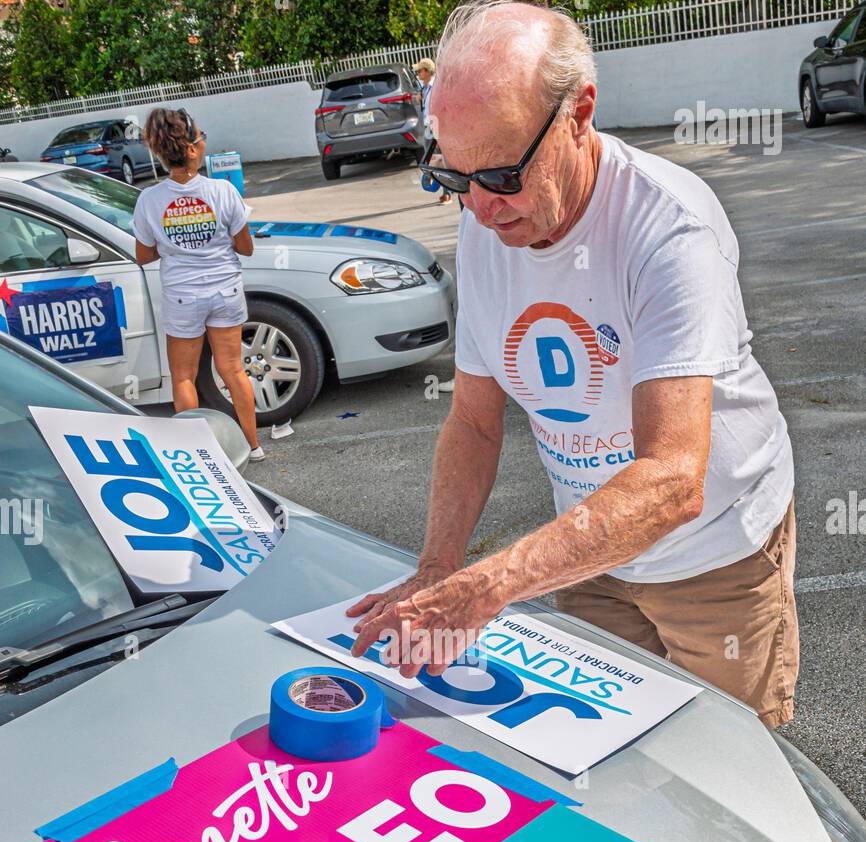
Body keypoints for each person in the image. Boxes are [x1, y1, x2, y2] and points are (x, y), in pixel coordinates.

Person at [351, 0, 798, 729]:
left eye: (499, 174)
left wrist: (489, 584)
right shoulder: (485, 219)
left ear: (579, 112)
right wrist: (440, 565)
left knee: (731, 773)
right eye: (454, 178)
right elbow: (473, 420)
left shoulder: (667, 228)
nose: (482, 211)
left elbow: (673, 478)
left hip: (716, 556)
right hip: (590, 558)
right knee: (614, 770)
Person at [133, 107, 263, 460]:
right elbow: (246, 248)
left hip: (181, 296)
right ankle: (253, 446)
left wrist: (174, 244)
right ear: (191, 149)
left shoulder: (149, 200)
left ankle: (200, 456)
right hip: (225, 290)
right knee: (233, 370)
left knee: (184, 378)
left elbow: (143, 256)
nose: (204, 141)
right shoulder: (222, 191)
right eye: (201, 136)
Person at [414, 58, 452, 204]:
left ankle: (447, 192)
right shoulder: (424, 88)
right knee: (431, 158)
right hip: (428, 125)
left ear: (428, 71)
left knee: (438, 158)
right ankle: (437, 181)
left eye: (420, 71)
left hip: (435, 124)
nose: (418, 73)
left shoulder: (436, 86)